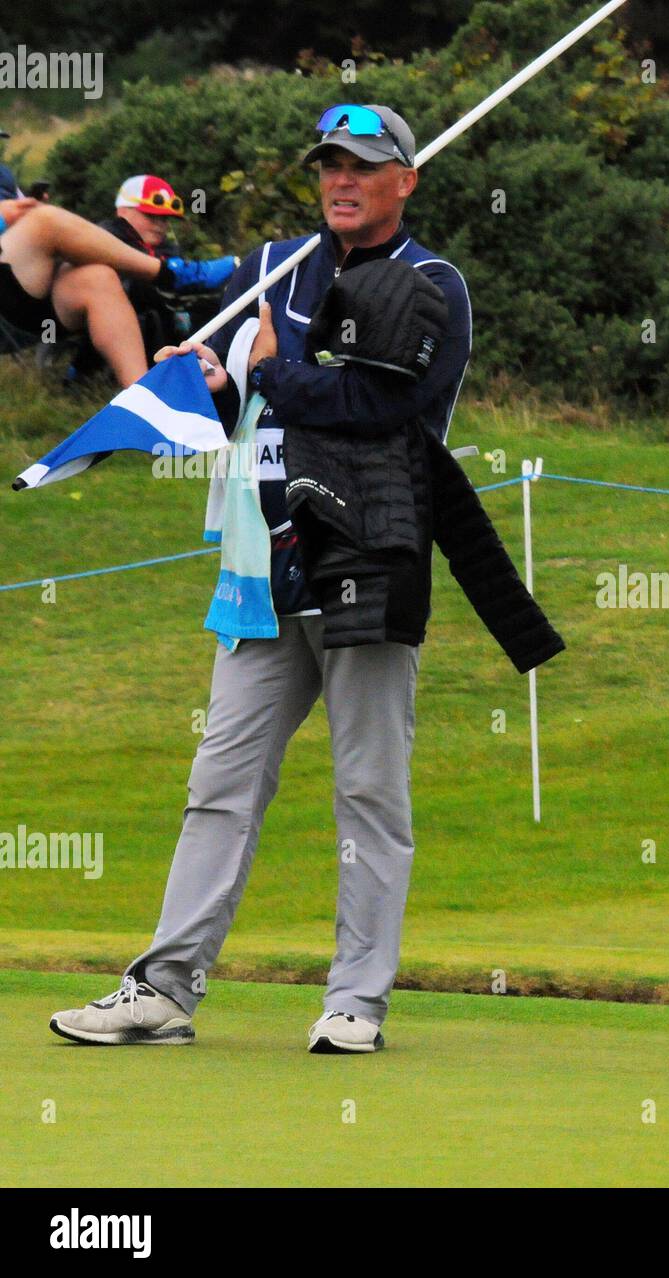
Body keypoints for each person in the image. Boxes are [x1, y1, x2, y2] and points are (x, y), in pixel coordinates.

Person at [49, 104, 562, 1055]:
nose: (342, 179)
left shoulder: (431, 285)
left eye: (364, 165)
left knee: (369, 792)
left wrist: (278, 375)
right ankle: (163, 988)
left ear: (405, 179)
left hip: (368, 561)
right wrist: (201, 377)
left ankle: (355, 1001)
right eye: (330, 163)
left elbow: (381, 405)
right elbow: (242, 383)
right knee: (221, 784)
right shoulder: (271, 266)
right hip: (259, 564)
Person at [0, 178, 234, 386]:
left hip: (32, 295)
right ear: (124, 210)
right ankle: (171, 273)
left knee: (98, 276)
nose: (160, 224)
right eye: (151, 215)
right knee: (47, 220)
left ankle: (142, 399)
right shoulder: (115, 232)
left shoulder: (6, 176)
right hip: (15, 291)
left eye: (165, 219)